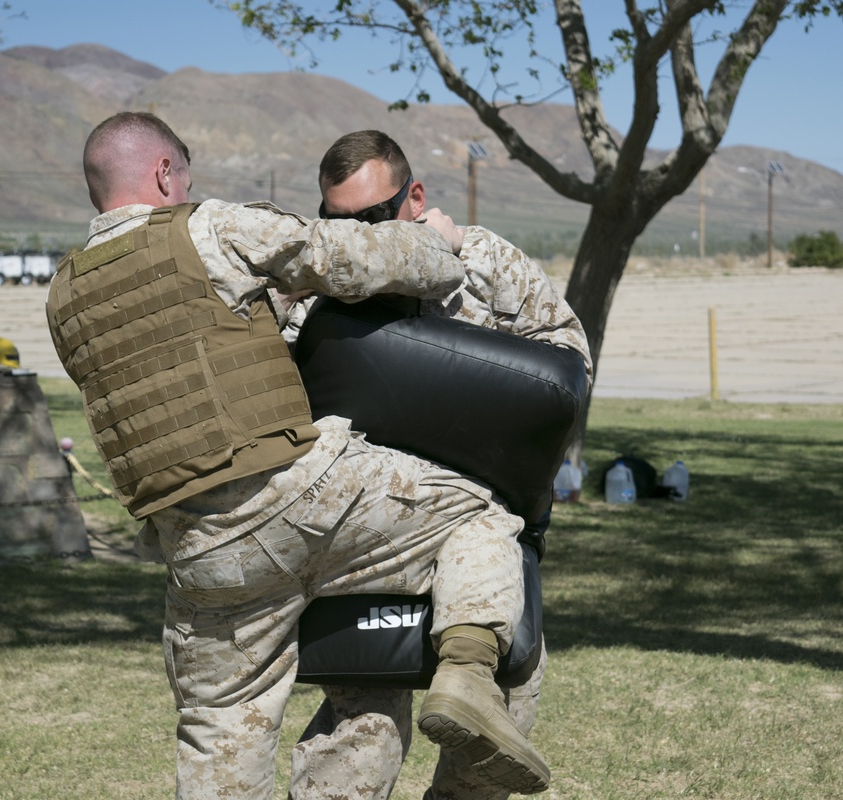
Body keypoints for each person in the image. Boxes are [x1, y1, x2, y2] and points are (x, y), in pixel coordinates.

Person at [45, 112, 551, 800]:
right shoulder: (211, 228)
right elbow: (354, 257)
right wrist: (434, 249)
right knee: (483, 505)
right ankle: (467, 673)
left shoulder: (65, 294)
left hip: (200, 554)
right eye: (184, 177)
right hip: (303, 498)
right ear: (165, 173)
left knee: (218, 728)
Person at [288, 130, 593, 800]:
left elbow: (566, 364)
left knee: (501, 705)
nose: (354, 237)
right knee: (363, 725)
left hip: (483, 522)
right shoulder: (315, 289)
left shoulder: (482, 260)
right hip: (373, 530)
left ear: (414, 198)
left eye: (370, 219)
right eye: (335, 222)